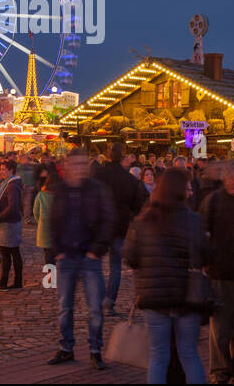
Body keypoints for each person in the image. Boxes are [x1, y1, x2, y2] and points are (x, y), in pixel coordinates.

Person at [125, 168, 213, 384]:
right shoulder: (193, 220)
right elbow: (207, 255)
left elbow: (131, 257)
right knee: (189, 354)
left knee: (158, 356)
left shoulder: (143, 220)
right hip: (187, 296)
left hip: (154, 297)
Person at [48, 148, 114, 369]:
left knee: (95, 308)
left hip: (89, 257)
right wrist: (57, 249)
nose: (79, 169)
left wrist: (96, 249)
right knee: (64, 307)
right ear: (67, 165)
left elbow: (108, 220)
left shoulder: (97, 190)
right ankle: (66, 348)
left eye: (82, 164)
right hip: (66, 256)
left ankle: (95, 350)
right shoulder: (61, 190)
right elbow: (53, 220)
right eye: (75, 164)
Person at [198, 158, 234, 384]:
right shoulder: (212, 201)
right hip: (219, 273)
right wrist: (207, 261)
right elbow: (202, 232)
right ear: (226, 180)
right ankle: (220, 372)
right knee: (220, 330)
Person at [95, 142, 148, 317]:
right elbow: (138, 206)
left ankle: (98, 299)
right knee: (115, 267)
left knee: (95, 265)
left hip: (100, 226)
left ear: (108, 156)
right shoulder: (130, 180)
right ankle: (109, 303)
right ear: (123, 158)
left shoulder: (97, 174)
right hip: (120, 227)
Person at [0, 160, 24, 290]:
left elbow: (12, 207)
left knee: (8, 254)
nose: (2, 172)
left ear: (11, 171)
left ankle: (5, 283)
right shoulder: (8, 183)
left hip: (9, 224)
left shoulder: (12, 185)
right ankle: (16, 282)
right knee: (12, 253)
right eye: (1, 169)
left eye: (4, 169)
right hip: (9, 223)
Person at [33, 169, 60, 267]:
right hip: (58, 228)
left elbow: (36, 212)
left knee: (48, 253)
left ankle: (50, 276)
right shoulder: (61, 195)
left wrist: (40, 221)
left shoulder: (41, 195)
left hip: (45, 228)